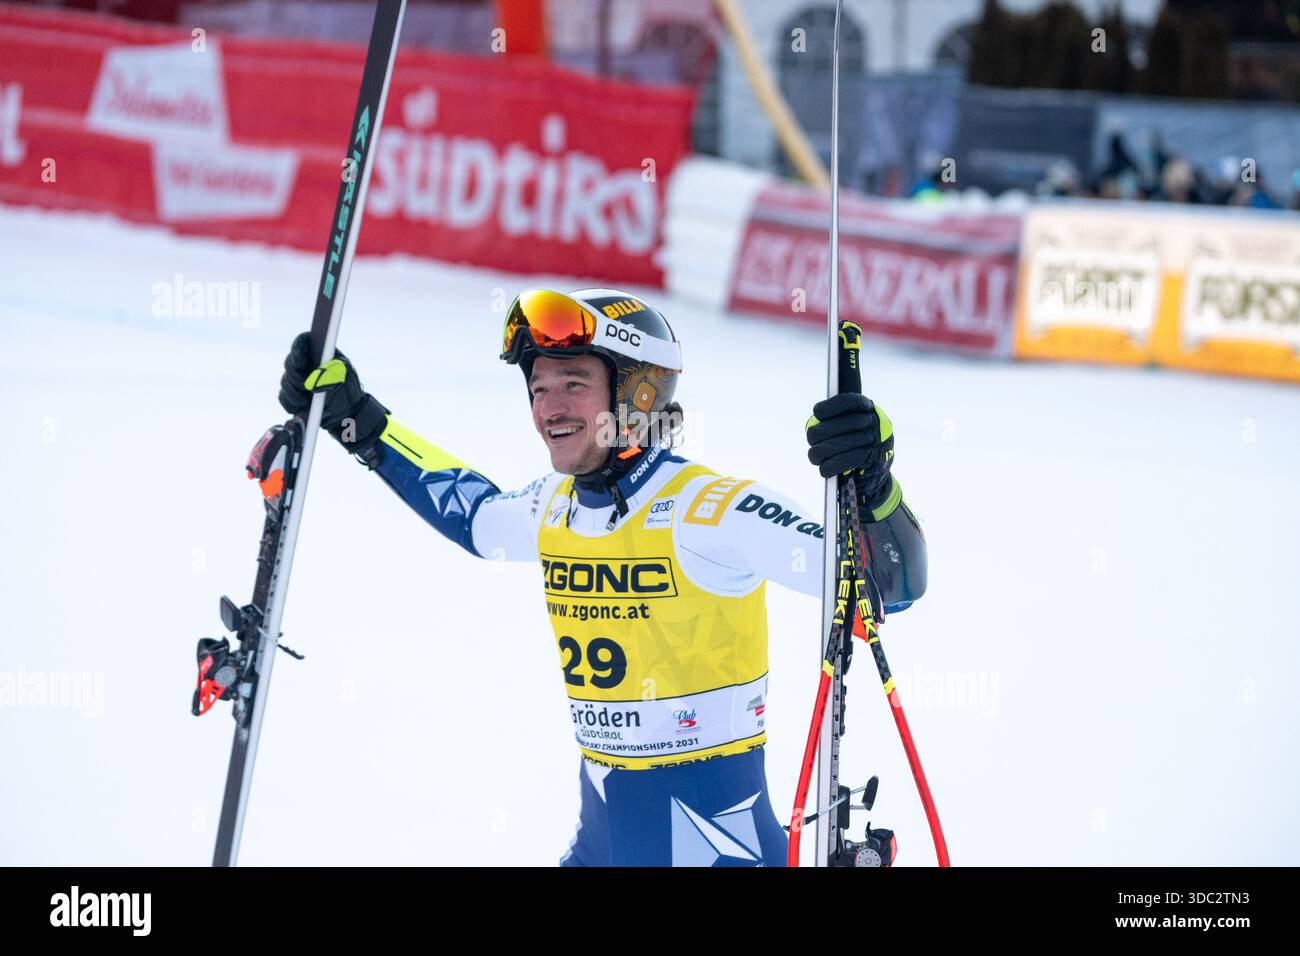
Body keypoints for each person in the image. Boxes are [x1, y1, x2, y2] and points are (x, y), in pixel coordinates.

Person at [278, 288, 928, 866]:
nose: (549, 408)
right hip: (603, 841)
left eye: (572, 385)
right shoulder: (553, 507)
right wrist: (360, 422)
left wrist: (874, 487)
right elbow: (473, 516)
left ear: (638, 393)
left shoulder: (712, 511)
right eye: (538, 389)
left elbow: (884, 587)